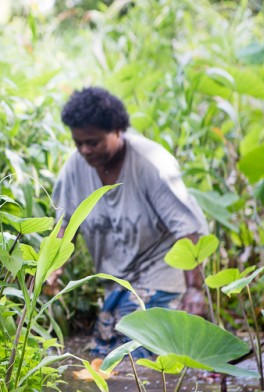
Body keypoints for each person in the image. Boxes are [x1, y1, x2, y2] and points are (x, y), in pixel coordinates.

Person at [50, 86, 209, 358]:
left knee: (142, 357)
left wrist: (195, 289)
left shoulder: (150, 163)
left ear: (117, 130)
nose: (85, 150)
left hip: (163, 274)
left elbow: (188, 231)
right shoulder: (75, 168)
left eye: (94, 142)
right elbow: (65, 230)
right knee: (104, 357)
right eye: (79, 143)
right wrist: (51, 270)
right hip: (118, 283)